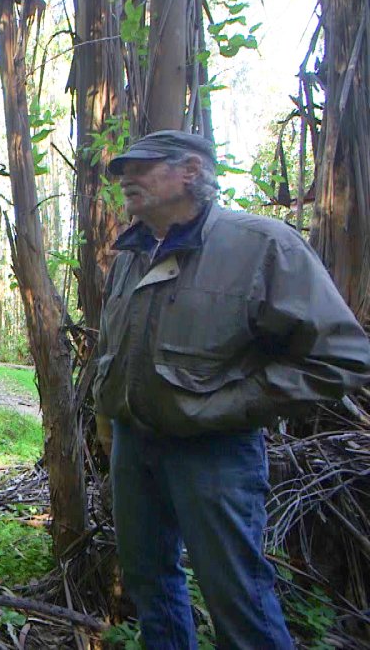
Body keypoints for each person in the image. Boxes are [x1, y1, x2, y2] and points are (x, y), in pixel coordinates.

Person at [92, 130, 370, 649]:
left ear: (191, 171)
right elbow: (113, 343)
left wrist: (233, 405)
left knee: (237, 595)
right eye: (122, 170)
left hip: (216, 453)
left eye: (142, 166)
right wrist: (107, 418)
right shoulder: (132, 252)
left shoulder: (262, 245)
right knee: (152, 586)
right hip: (133, 446)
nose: (125, 178)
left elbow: (343, 356)